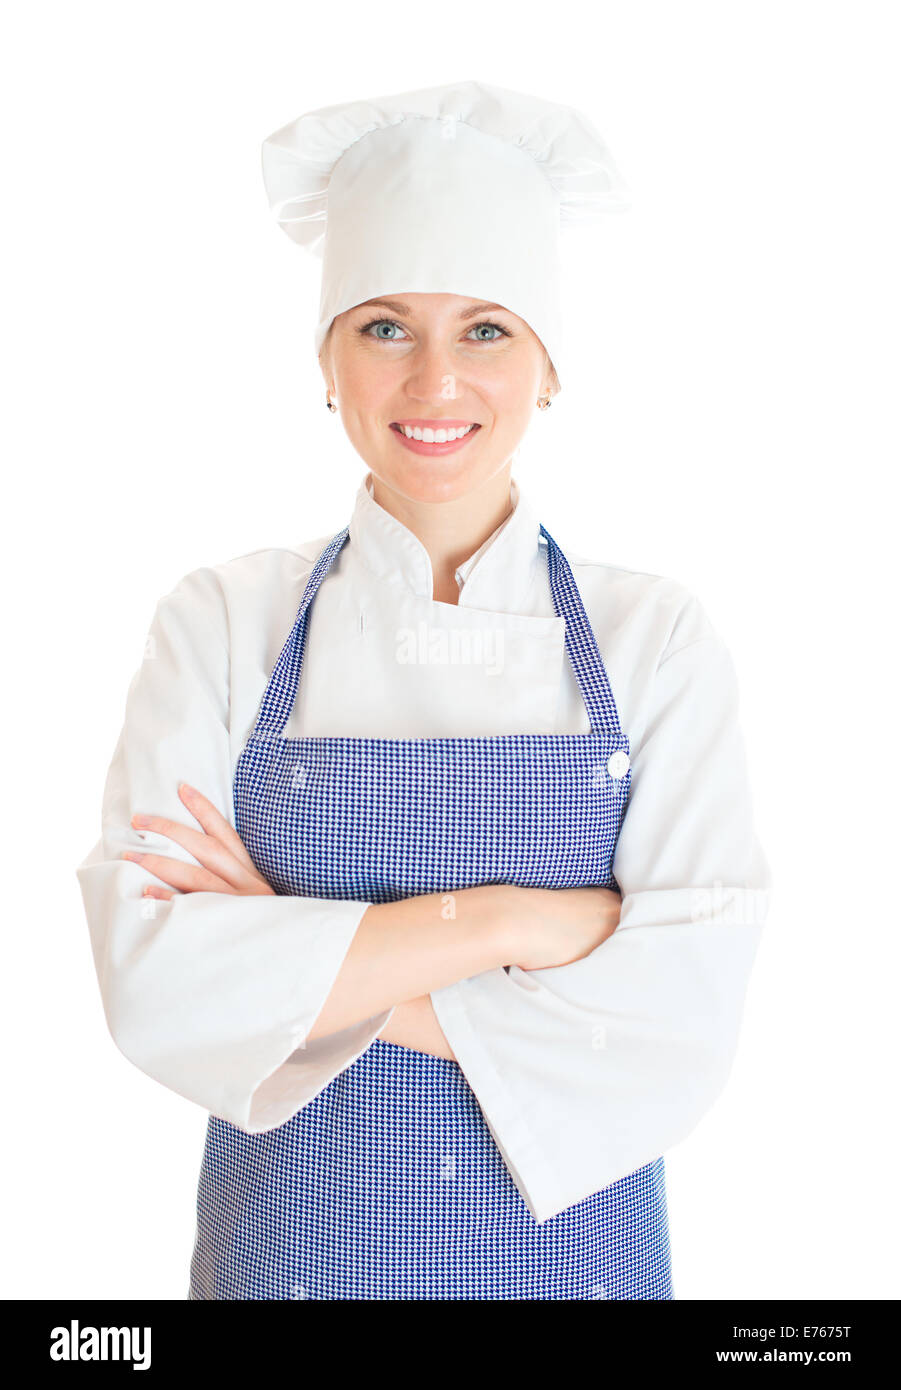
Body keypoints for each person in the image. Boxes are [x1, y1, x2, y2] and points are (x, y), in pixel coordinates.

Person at [76, 79, 771, 1301]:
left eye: (486, 329)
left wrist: (293, 961)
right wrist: (514, 923)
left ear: (550, 365)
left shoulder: (653, 640)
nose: (433, 380)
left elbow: (682, 1022)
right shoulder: (223, 622)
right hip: (289, 1266)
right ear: (327, 359)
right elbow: (156, 979)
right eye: (384, 326)